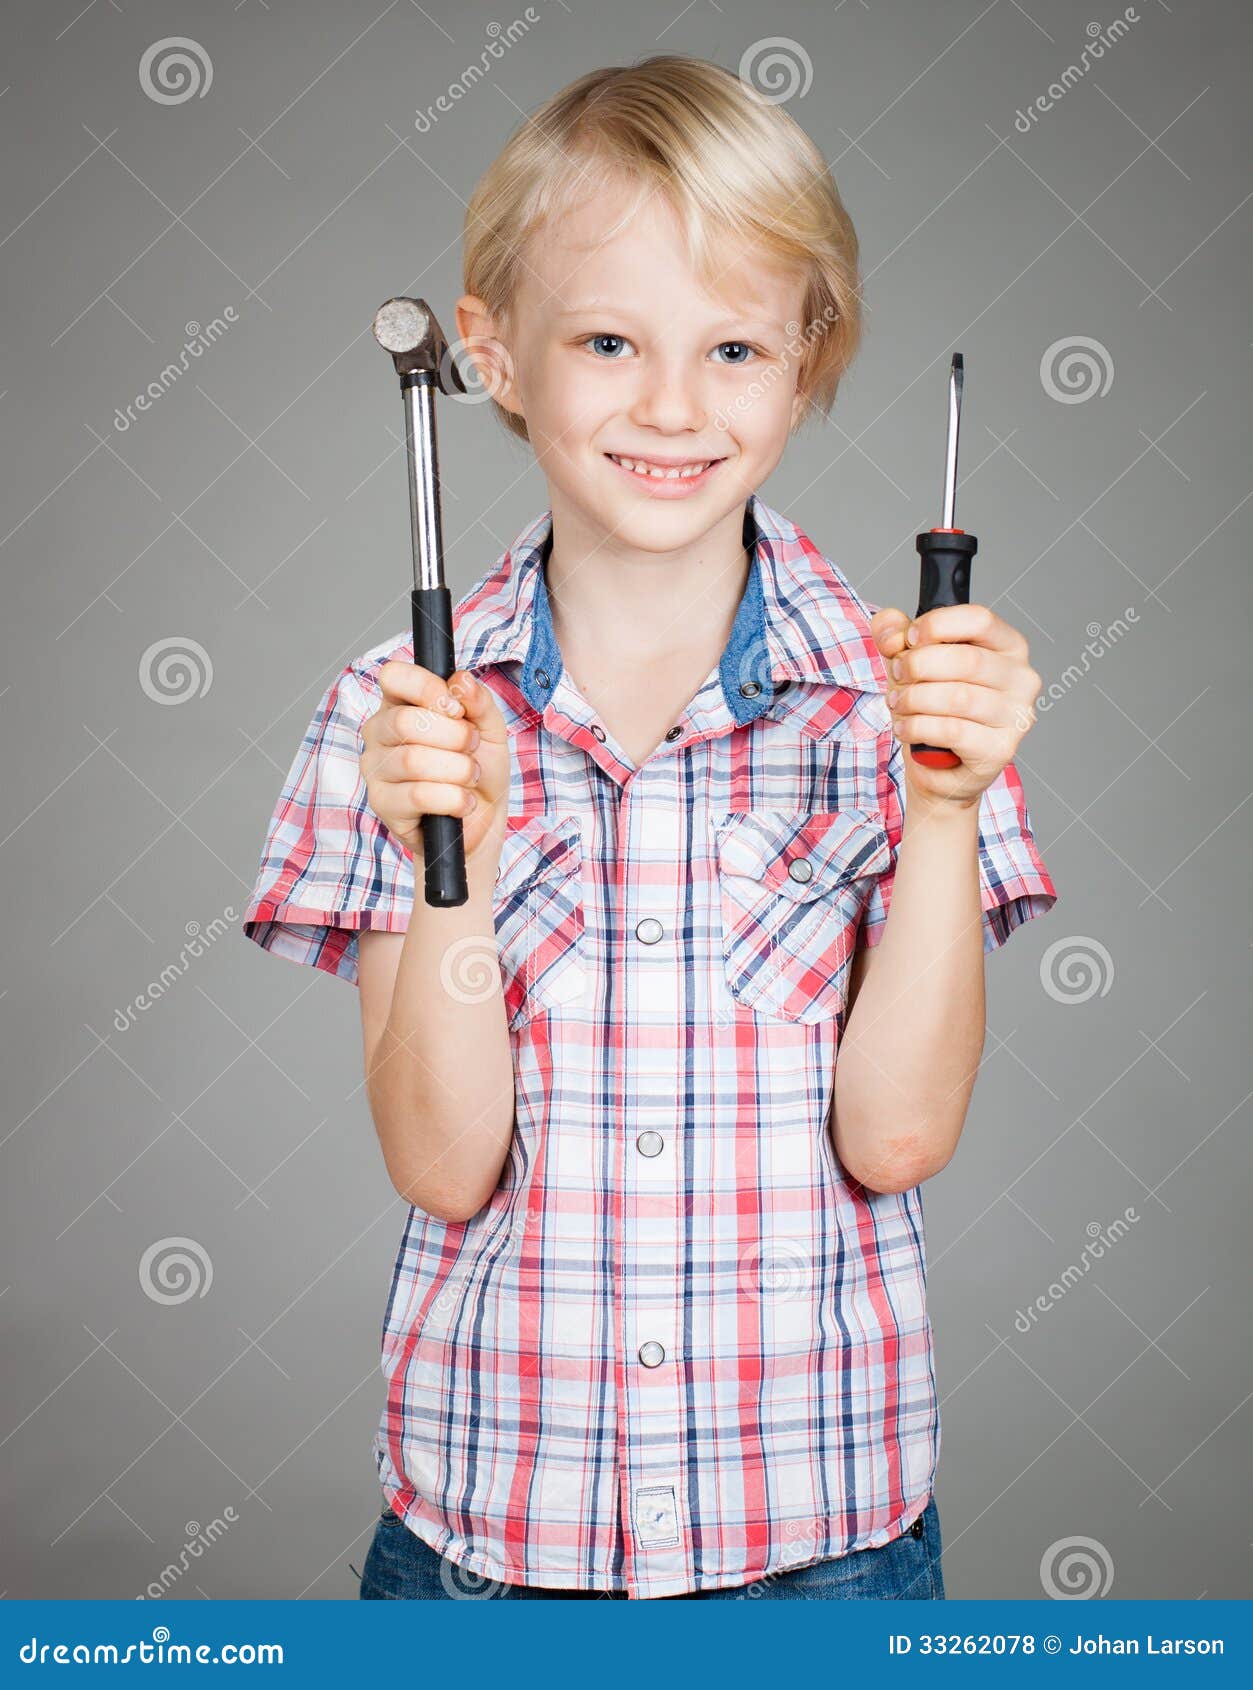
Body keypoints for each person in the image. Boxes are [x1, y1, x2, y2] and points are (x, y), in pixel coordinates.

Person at [243, 55, 1057, 1601]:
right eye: (608, 340)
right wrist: (454, 874)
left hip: (819, 1554)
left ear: (807, 362)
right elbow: (440, 1161)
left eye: (733, 346)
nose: (672, 406)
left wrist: (943, 811)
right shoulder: (400, 715)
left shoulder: (910, 707)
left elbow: (895, 1136)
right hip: (492, 1560)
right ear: (493, 352)